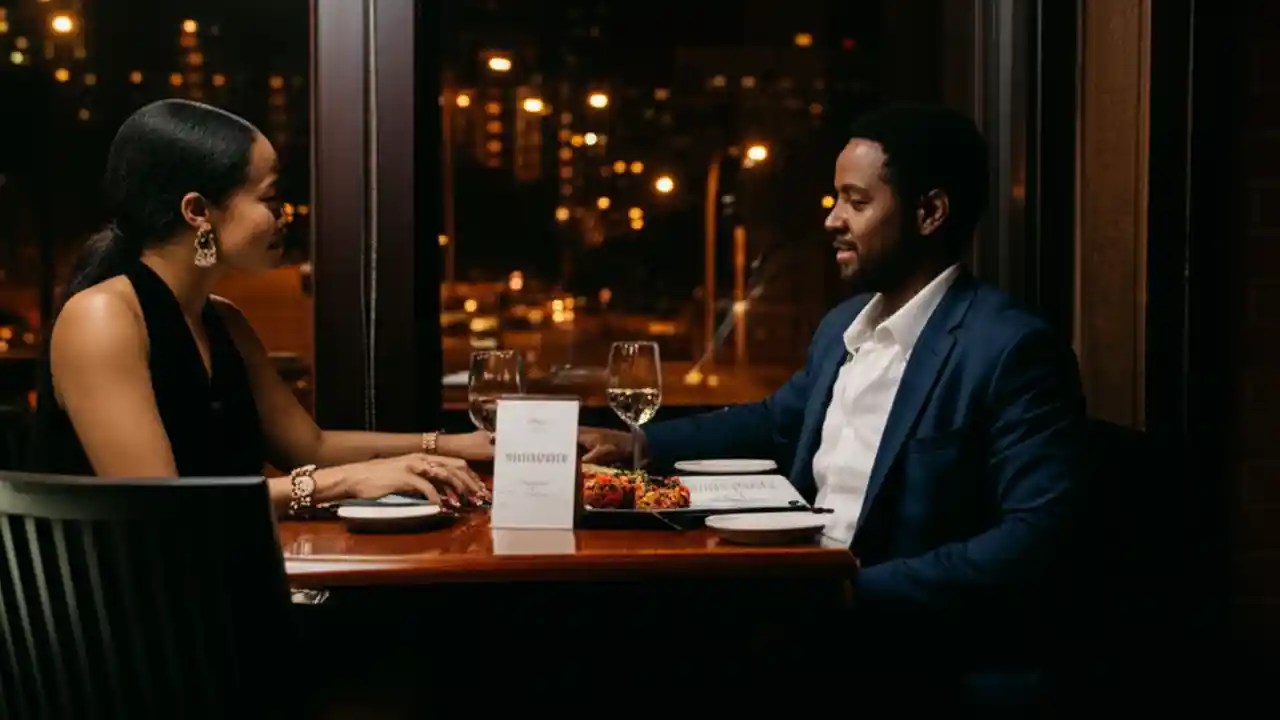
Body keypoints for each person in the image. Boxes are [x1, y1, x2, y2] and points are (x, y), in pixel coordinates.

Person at [580, 105, 1087, 703]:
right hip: (801, 611)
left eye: (856, 201)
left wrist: (848, 590)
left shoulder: (1011, 349)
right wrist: (638, 444)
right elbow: (774, 422)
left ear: (929, 212)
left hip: (904, 644)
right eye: (834, 198)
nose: (832, 219)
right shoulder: (844, 327)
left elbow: (1037, 538)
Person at [28, 99, 492, 515]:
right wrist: (345, 482)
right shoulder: (102, 317)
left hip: (216, 579)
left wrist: (454, 446)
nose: (284, 215)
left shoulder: (223, 319)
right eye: (270, 197)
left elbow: (312, 446)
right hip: (126, 600)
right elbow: (160, 503)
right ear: (197, 211)